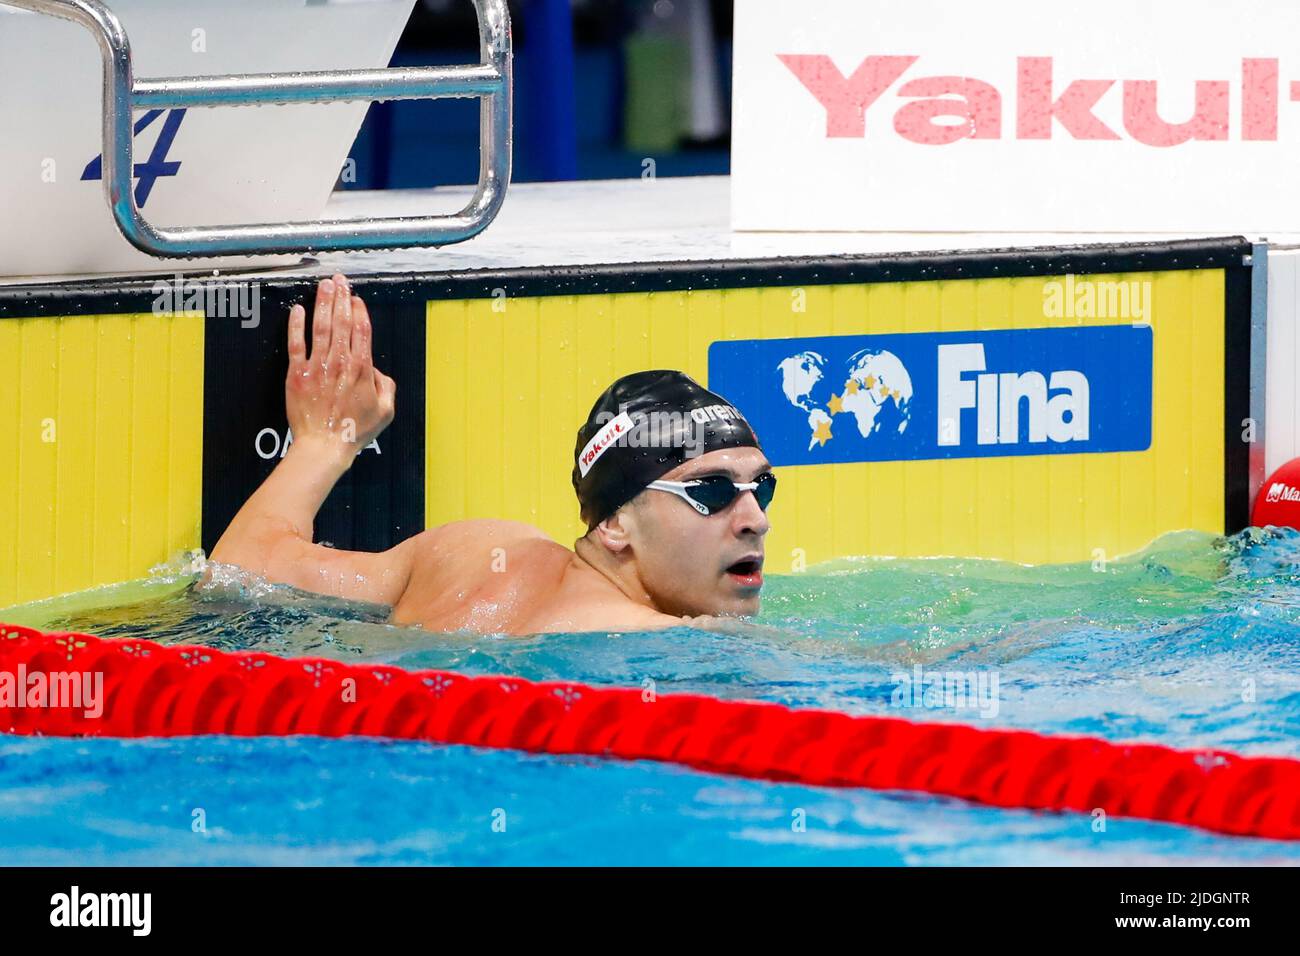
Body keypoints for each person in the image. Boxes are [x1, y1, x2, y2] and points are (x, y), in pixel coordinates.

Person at [208, 274, 776, 636]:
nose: (756, 520)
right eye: (712, 492)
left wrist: (324, 443)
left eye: (761, 488)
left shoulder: (475, 551)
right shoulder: (671, 645)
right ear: (614, 525)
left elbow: (241, 570)